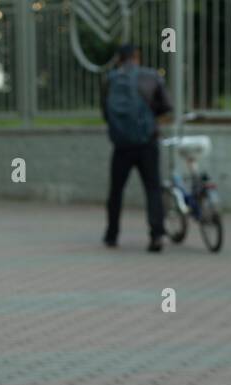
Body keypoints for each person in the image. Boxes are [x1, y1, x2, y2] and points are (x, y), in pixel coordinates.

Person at [101, 44, 172, 253]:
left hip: (121, 146)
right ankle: (157, 234)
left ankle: (112, 235)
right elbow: (166, 107)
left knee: (116, 190)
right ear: (137, 56)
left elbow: (105, 113)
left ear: (119, 59)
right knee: (152, 188)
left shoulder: (110, 80)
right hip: (147, 143)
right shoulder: (151, 77)